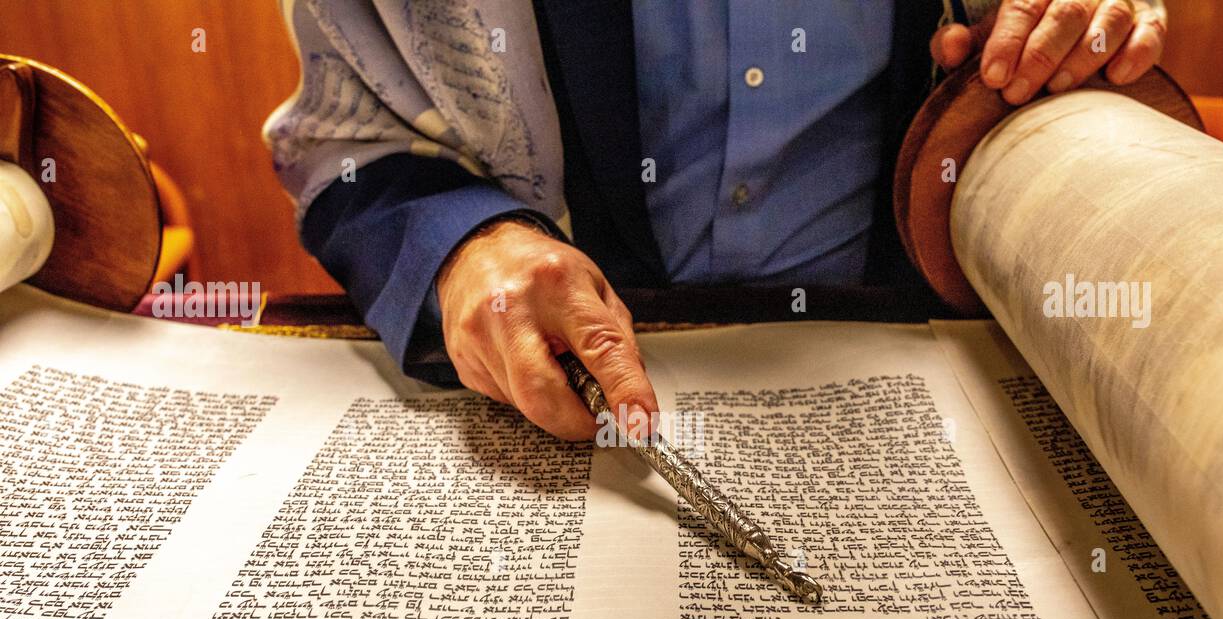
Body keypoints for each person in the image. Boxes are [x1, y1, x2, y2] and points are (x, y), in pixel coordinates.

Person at [266, 0, 1167, 440]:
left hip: (935, 363)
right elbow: (352, 145)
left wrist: (1079, 25)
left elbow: (1073, 36)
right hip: (575, 381)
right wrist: (465, 243)